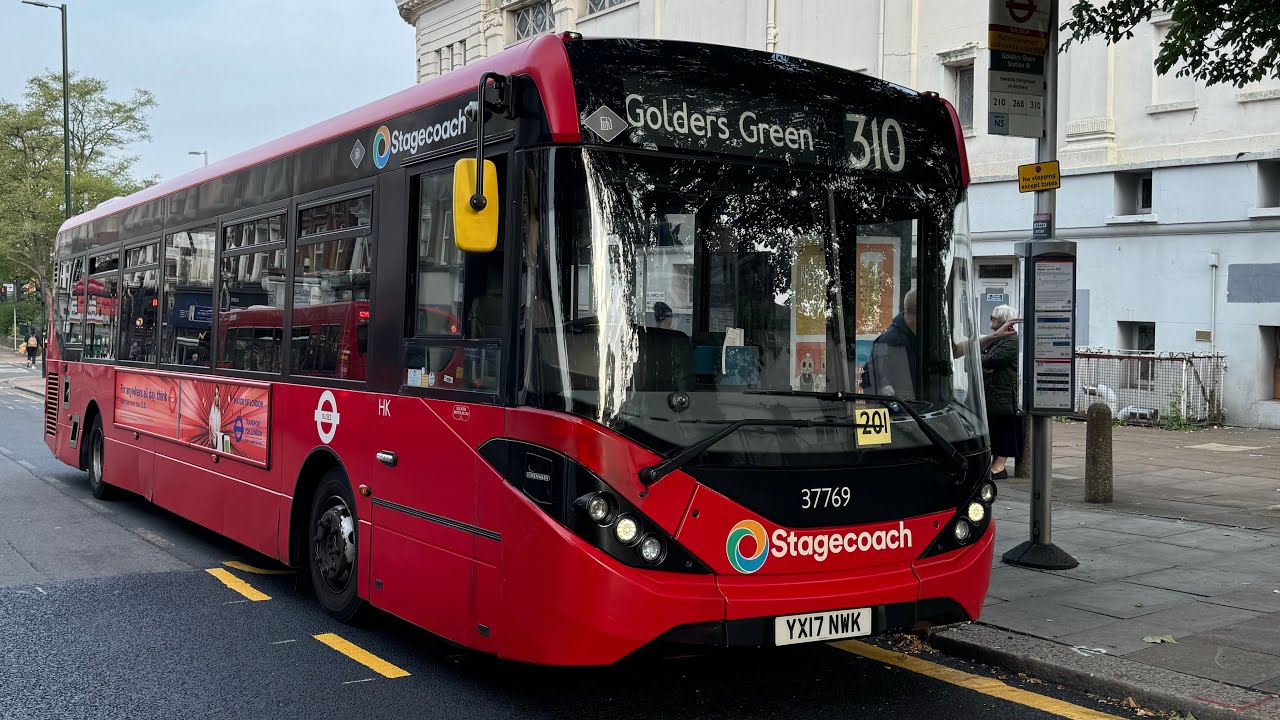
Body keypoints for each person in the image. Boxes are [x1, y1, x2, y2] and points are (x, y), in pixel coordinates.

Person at [982, 304, 1023, 479]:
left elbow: (994, 361)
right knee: (995, 428)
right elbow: (981, 360)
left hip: (1003, 392)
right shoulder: (997, 339)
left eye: (994, 317)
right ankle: (995, 465)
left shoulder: (1011, 340)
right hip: (994, 390)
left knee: (1004, 428)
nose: (990, 319)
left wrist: (983, 362)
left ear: (1003, 320)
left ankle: (999, 467)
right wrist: (984, 363)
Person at [861, 288, 919, 398]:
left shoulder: (922, 338)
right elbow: (870, 381)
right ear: (916, 312)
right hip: (901, 407)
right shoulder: (889, 342)